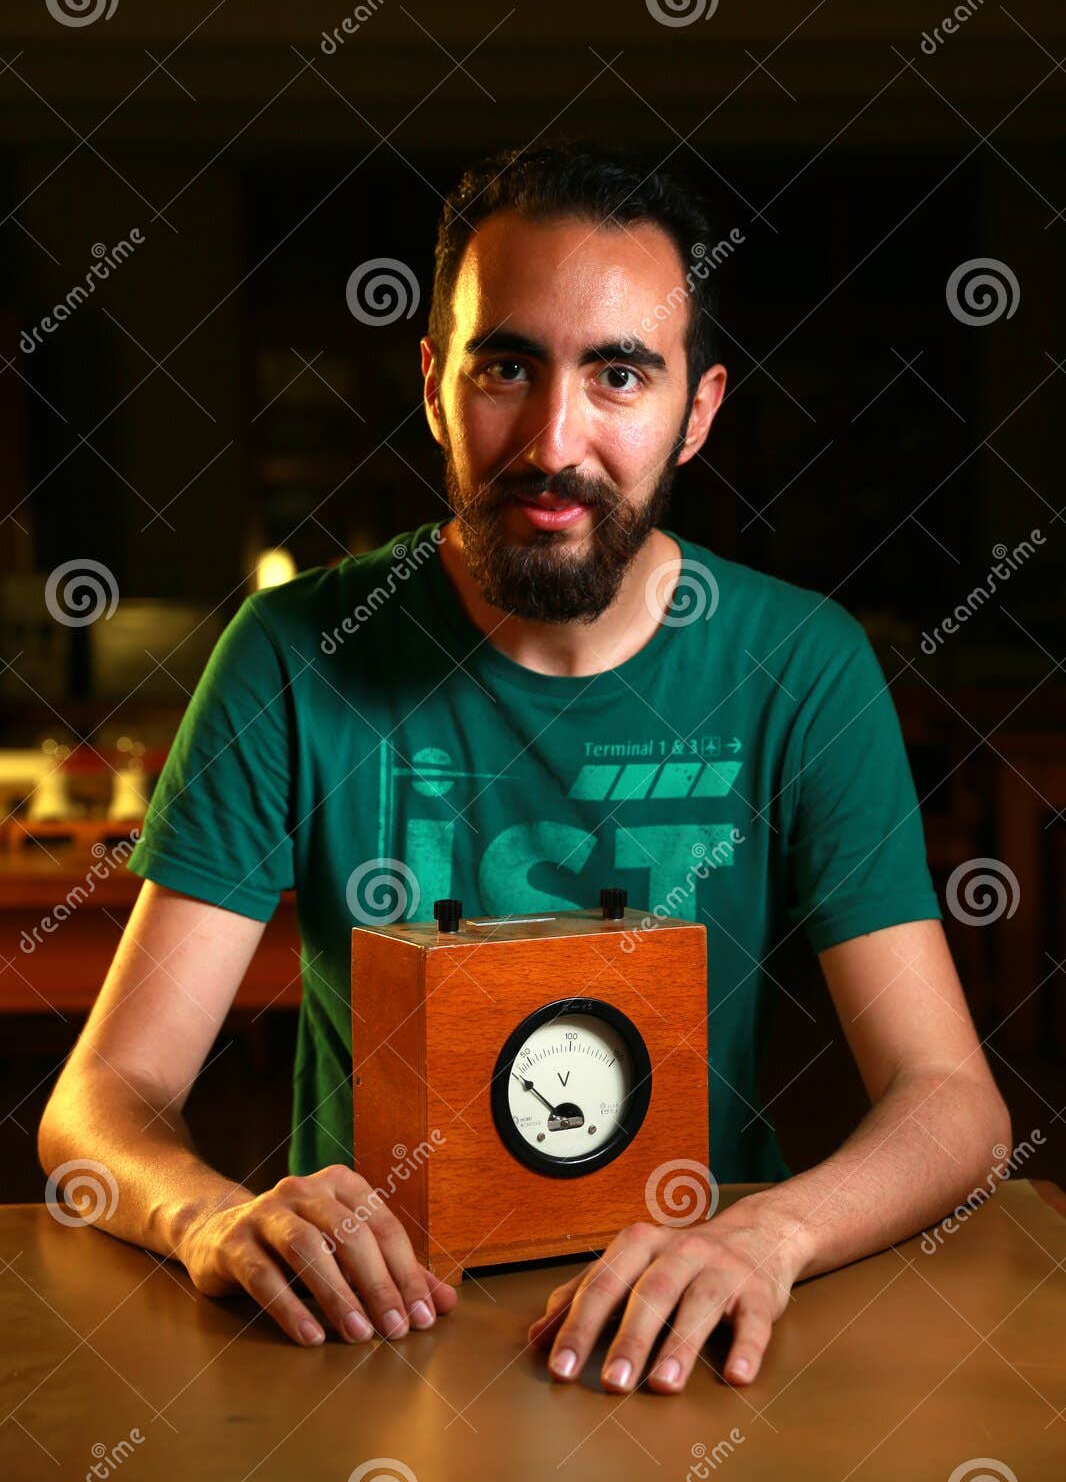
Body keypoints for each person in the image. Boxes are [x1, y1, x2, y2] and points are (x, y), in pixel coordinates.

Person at [38, 140, 1010, 1396]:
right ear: (437, 385)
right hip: (368, 1336)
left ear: (696, 411)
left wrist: (767, 1234)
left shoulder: (800, 665)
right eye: (509, 365)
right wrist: (208, 1217)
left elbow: (953, 1103)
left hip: (689, 1329)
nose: (555, 439)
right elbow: (105, 1097)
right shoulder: (294, 652)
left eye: (619, 374)